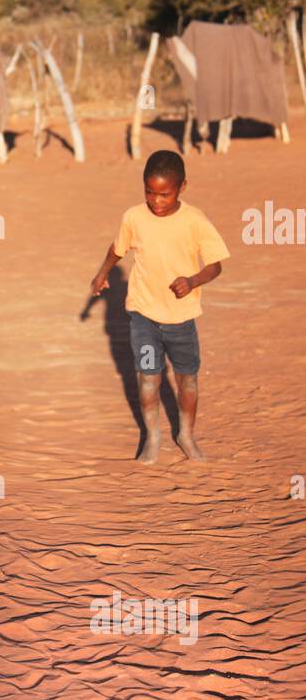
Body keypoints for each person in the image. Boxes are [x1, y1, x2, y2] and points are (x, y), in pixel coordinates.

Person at [90, 149, 230, 464]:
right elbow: (118, 248)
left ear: (182, 187)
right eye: (149, 192)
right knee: (149, 378)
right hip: (144, 317)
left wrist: (193, 281)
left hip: (181, 320)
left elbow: (216, 265)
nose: (156, 201)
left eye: (164, 194)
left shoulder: (195, 220)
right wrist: (101, 274)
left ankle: (186, 435)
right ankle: (153, 437)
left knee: (187, 380)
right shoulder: (134, 217)